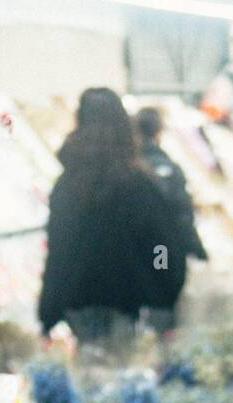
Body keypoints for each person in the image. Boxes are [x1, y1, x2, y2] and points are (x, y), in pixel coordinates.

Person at [39, 88, 194, 343]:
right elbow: (162, 245)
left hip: (80, 306)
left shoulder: (67, 186)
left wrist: (49, 311)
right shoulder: (138, 185)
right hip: (133, 306)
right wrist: (163, 283)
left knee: (91, 376)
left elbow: (58, 252)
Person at [134, 106, 207, 331]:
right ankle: (162, 349)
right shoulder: (170, 168)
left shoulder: (131, 168)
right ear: (159, 132)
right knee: (163, 303)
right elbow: (183, 213)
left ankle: (145, 347)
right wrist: (197, 249)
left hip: (138, 252)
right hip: (164, 249)